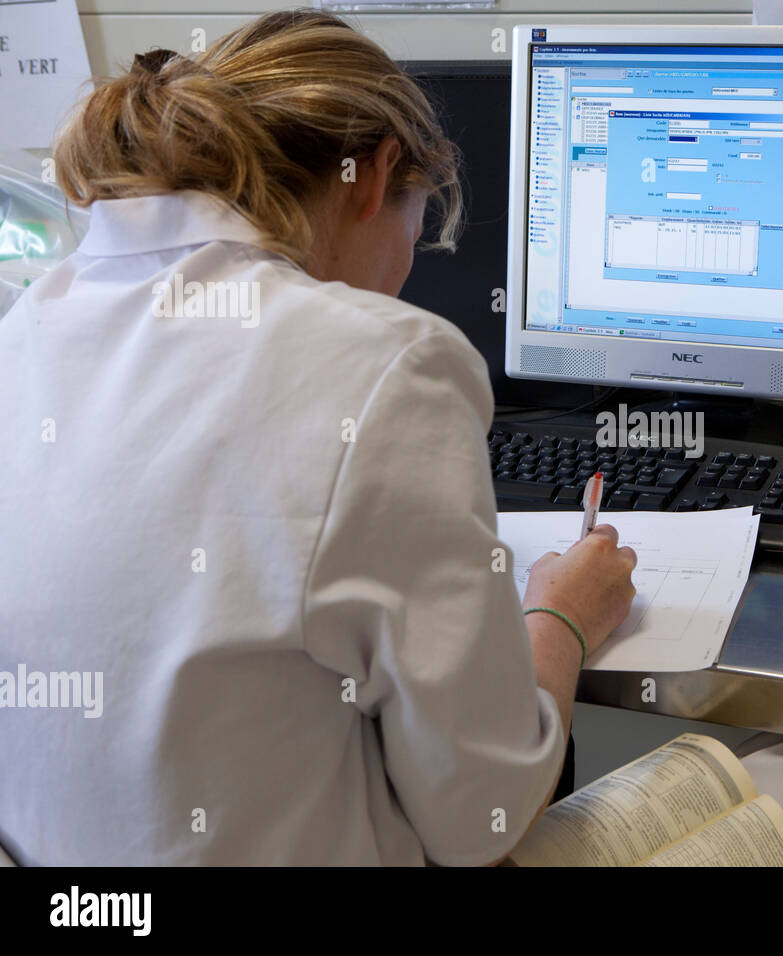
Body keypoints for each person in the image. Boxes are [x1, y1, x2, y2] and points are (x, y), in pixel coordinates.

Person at [0, 9, 636, 865]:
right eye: (421, 227)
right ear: (374, 175)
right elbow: (479, 815)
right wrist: (561, 614)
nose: (410, 268)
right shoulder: (388, 362)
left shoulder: (27, 327)